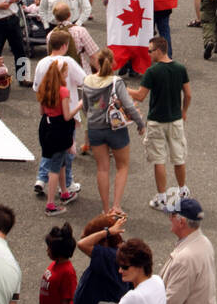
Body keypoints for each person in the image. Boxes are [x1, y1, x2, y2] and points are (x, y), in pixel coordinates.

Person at [79, 46, 145, 213]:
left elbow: (86, 107)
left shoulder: (87, 81)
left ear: (97, 63)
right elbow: (129, 105)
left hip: (95, 128)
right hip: (115, 128)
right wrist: (140, 123)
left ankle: (105, 208)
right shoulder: (116, 82)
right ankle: (116, 205)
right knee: (122, 166)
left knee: (102, 168)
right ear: (113, 63)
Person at [131, 36, 192, 211]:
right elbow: (188, 94)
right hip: (175, 120)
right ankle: (182, 190)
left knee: (159, 160)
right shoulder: (180, 68)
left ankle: (162, 197)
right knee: (178, 157)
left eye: (150, 51)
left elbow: (141, 96)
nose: (149, 54)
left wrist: (123, 89)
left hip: (156, 121)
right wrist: (184, 111)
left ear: (158, 50)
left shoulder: (152, 71)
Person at [38, 60, 78, 217]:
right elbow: (67, 115)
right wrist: (80, 105)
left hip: (46, 127)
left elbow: (42, 111)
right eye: (66, 71)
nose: (67, 74)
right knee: (55, 167)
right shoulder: (63, 91)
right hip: (60, 130)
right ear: (61, 74)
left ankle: (65, 193)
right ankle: (50, 204)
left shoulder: (44, 88)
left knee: (60, 162)